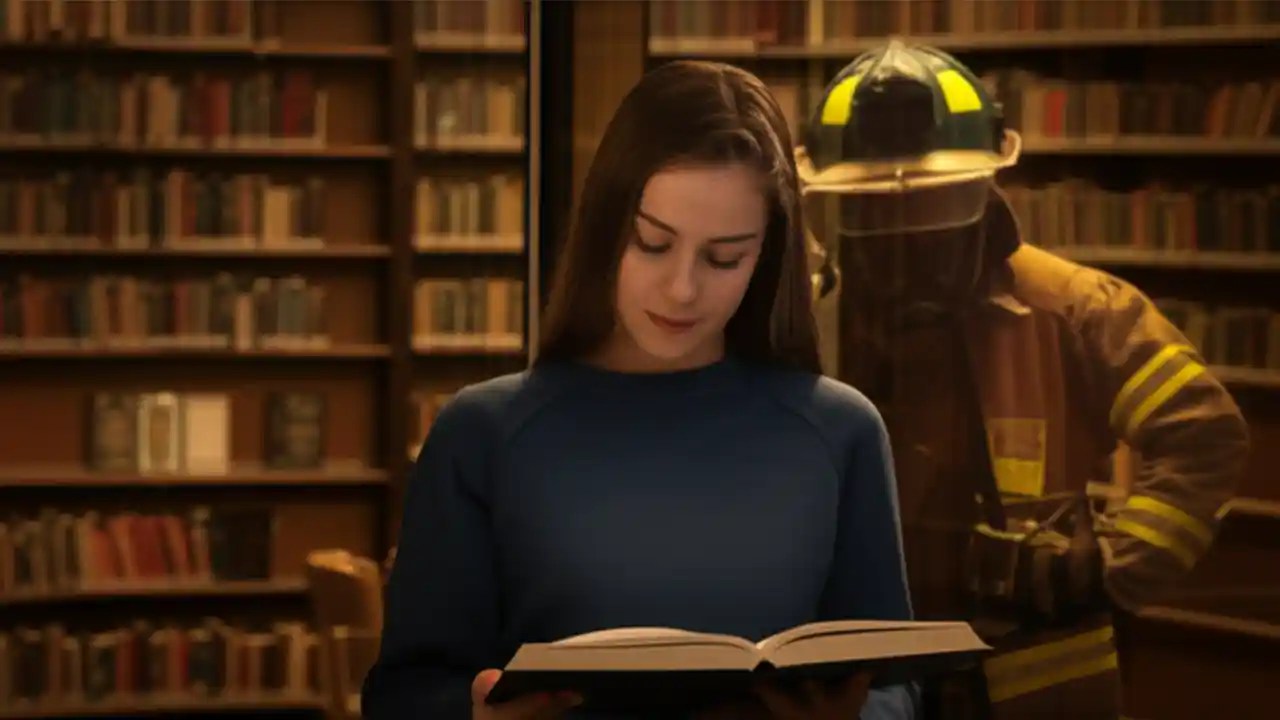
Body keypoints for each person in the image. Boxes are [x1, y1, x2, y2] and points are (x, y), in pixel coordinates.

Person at [361, 59, 920, 720]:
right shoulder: (482, 433)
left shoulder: (841, 432)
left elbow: (895, 686)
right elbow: (400, 695)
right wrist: (474, 712)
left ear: (767, 256)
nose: (682, 289)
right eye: (652, 243)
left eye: (724, 257)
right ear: (607, 226)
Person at [796, 40, 1250, 719]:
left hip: (1032, 684)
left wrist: (1112, 568)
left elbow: (1205, 436)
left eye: (930, 206)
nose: (901, 237)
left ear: (983, 190)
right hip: (859, 684)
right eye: (869, 209)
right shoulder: (805, 328)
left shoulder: (1074, 310)